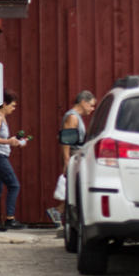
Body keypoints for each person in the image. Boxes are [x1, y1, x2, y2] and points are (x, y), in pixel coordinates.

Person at [54, 90, 96, 225]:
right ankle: (65, 216)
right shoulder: (72, 117)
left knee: (73, 188)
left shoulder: (76, 117)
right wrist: (67, 160)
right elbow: (67, 139)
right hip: (72, 155)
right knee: (73, 188)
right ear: (83, 102)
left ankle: (60, 213)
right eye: (91, 105)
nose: (92, 108)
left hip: (76, 155)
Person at [0, 90, 27, 231]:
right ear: (4, 104)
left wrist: (16, 141)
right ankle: (10, 219)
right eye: (12, 105)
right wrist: (8, 141)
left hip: (1, 155)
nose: (14, 108)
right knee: (14, 185)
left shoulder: (2, 118)